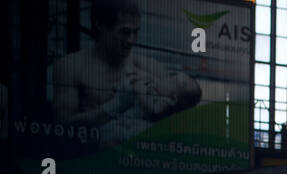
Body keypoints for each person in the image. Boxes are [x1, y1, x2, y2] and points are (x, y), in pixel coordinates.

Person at [51, 0, 201, 143]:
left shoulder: (152, 68)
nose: (132, 40)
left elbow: (174, 126)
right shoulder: (71, 67)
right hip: (92, 161)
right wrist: (114, 106)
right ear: (101, 25)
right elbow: (60, 128)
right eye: (125, 32)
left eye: (136, 32)